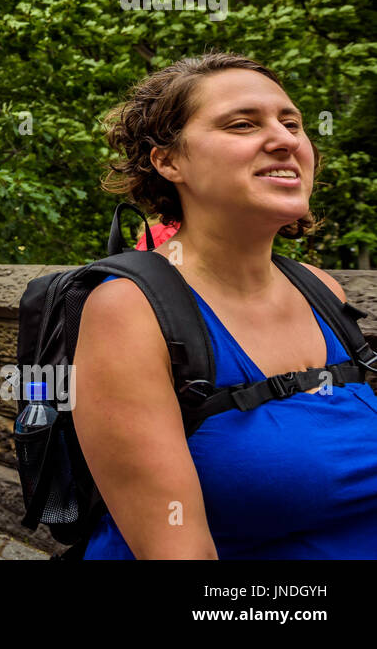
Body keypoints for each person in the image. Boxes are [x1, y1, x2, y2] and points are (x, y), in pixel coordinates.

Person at [76, 53, 377, 558]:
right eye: (242, 124)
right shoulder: (128, 311)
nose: (285, 139)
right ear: (168, 161)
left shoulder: (324, 293)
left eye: (292, 123)